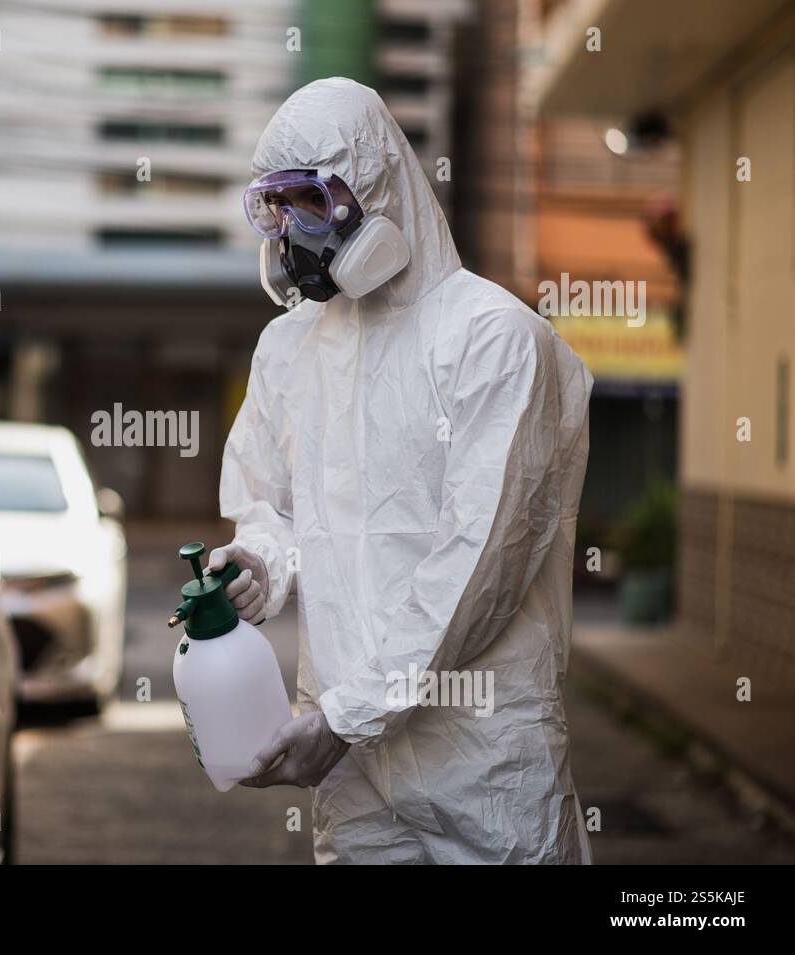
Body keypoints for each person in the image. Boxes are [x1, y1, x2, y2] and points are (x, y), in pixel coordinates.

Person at [209, 78, 594, 864]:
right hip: (352, 769)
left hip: (486, 765)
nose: (292, 230)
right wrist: (260, 564)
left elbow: (477, 567)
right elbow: (273, 507)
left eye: (312, 201)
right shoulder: (288, 349)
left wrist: (346, 716)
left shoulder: (492, 339)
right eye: (276, 206)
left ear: (378, 185)